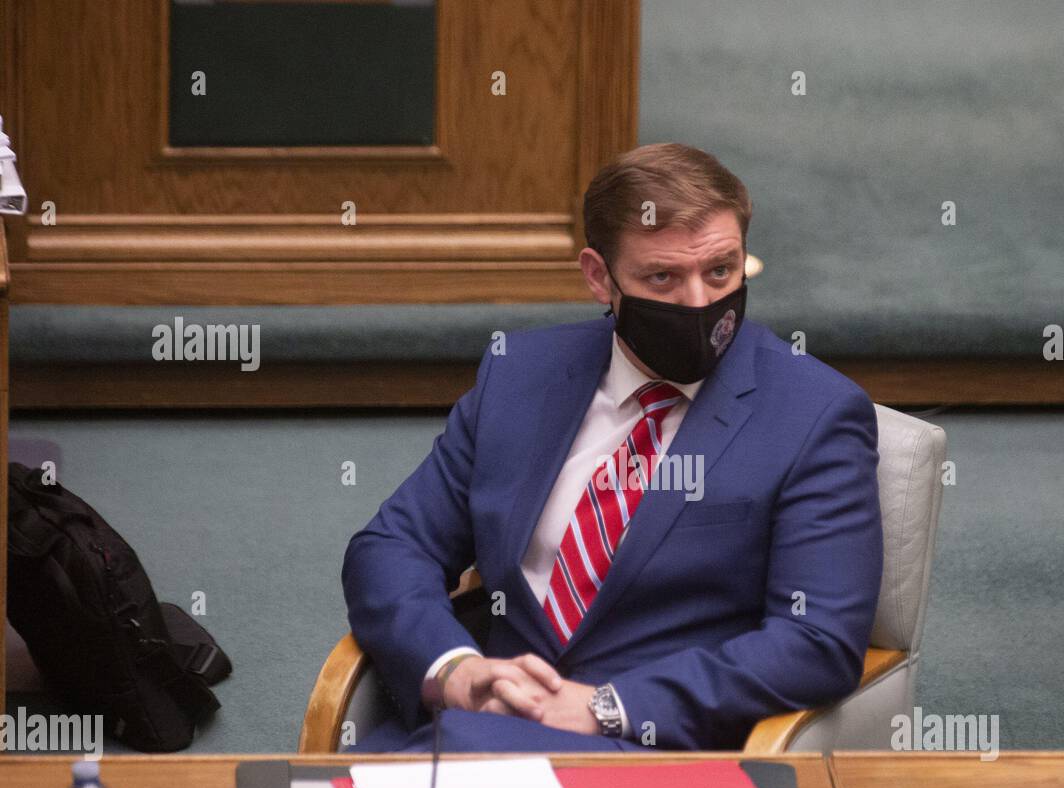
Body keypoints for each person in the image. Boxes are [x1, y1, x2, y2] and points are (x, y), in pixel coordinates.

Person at [343, 142, 883, 753]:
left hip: (643, 759)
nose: (701, 304)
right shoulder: (520, 374)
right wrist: (455, 669)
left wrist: (608, 707)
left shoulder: (814, 414)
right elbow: (392, 545)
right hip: (473, 735)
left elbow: (817, 640)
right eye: (662, 277)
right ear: (599, 277)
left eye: (721, 271)